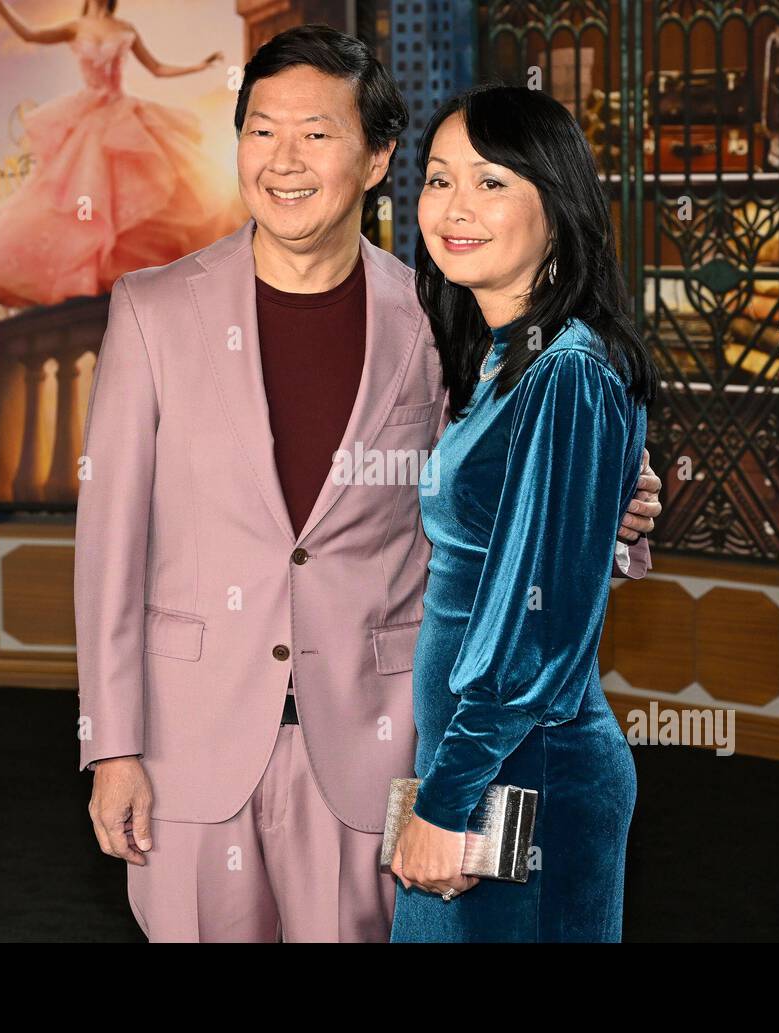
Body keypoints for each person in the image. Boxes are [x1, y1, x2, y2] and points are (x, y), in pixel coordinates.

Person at [74, 24, 662, 943]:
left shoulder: (438, 317)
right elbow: (108, 548)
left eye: (316, 132)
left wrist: (613, 515)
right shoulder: (153, 309)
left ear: (378, 155)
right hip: (189, 744)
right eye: (261, 130)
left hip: (374, 746)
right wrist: (111, 742)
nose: (284, 160)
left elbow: (496, 503)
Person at [389, 85, 657, 942]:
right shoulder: (504, 357)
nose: (455, 207)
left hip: (519, 771)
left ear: (558, 202)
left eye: (491, 182)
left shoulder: (565, 369)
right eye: (437, 180)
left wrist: (444, 796)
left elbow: (533, 633)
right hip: (482, 761)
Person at [0, 0, 240, 308]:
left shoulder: (125, 29)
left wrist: (198, 65)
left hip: (122, 115)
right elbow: (29, 35)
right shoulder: (75, 27)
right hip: (89, 117)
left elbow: (157, 69)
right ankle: (87, 282)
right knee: (83, 194)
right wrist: (3, 9)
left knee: (135, 192)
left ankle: (130, 288)